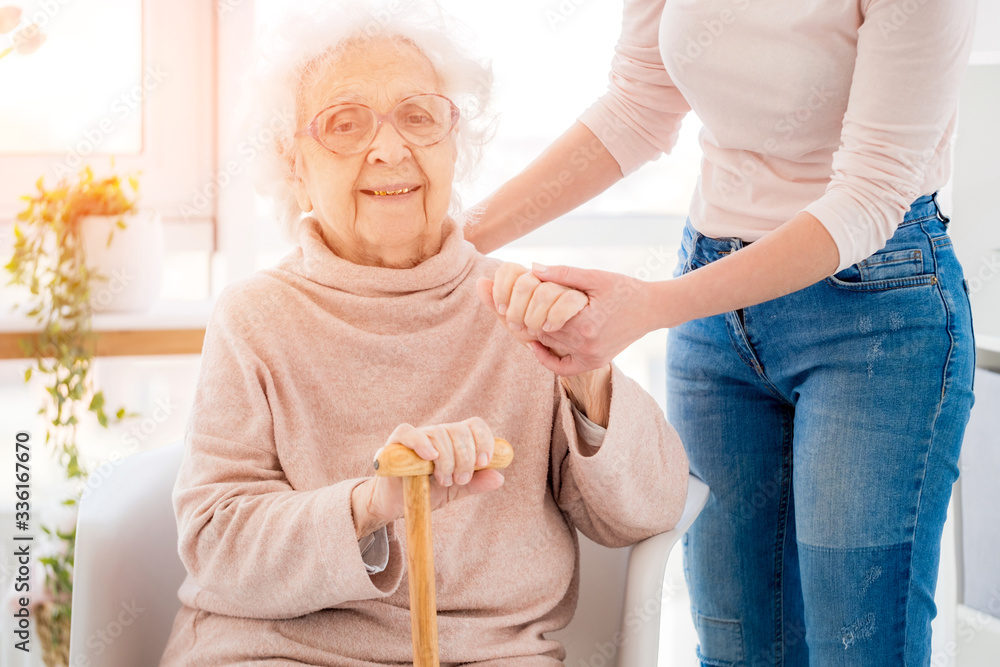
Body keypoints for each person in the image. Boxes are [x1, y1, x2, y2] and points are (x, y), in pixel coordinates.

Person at [157, 3, 688, 665]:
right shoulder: (255, 317)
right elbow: (217, 542)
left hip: (490, 653)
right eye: (345, 124)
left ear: (453, 141)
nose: (389, 148)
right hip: (280, 649)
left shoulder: (521, 308)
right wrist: (371, 505)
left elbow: (650, 510)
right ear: (292, 161)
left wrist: (588, 373)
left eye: (418, 116)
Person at [465, 0, 977, 664]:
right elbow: (637, 106)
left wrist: (654, 305)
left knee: (860, 648)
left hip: (874, 314)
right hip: (714, 303)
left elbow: (871, 194)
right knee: (738, 647)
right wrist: (450, 239)